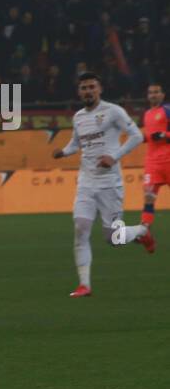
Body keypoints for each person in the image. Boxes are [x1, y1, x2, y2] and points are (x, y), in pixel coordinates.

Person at [51, 72, 149, 298]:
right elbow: (77, 142)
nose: (88, 91)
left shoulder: (113, 111)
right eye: (84, 87)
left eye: (91, 87)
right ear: (79, 92)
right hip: (86, 182)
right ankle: (84, 285)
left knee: (112, 238)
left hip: (109, 183)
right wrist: (64, 152)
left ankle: (142, 230)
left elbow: (136, 136)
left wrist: (114, 157)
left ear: (100, 89)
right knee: (80, 229)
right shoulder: (78, 117)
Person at [137, 81, 168, 239]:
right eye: (151, 92)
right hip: (152, 163)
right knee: (148, 196)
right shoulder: (147, 114)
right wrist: (139, 138)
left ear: (162, 95)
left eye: (156, 92)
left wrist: (165, 135)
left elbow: (162, 135)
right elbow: (149, 136)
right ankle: (145, 231)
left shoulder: (167, 110)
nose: (153, 95)